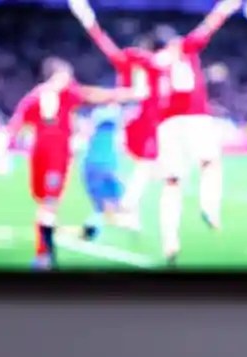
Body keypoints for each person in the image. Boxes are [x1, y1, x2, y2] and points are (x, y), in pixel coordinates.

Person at [0, 57, 142, 270]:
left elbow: (16, 123)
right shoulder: (61, 94)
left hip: (40, 155)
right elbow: (94, 95)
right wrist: (128, 93)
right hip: (55, 156)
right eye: (67, 76)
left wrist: (6, 154)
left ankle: (44, 254)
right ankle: (45, 256)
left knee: (46, 203)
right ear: (57, 76)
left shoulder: (38, 95)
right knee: (48, 204)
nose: (71, 80)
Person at [149, 0, 243, 265]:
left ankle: (170, 240)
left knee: (171, 184)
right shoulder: (186, 48)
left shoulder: (153, 64)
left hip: (167, 125)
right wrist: (227, 6)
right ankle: (208, 206)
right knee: (210, 164)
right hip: (195, 118)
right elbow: (209, 26)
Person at [68, 0, 166, 233]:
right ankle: (127, 205)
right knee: (147, 165)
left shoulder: (127, 60)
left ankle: (127, 209)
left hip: (129, 118)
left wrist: (85, 15)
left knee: (144, 166)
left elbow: (103, 41)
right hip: (143, 120)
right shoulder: (155, 65)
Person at [80, 103, 126, 241]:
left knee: (104, 205)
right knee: (113, 202)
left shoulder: (99, 124)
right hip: (102, 167)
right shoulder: (111, 126)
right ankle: (93, 226)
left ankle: (91, 229)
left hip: (93, 167)